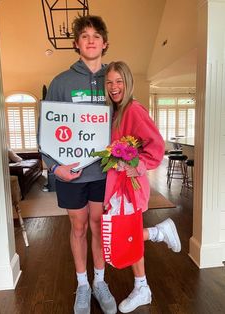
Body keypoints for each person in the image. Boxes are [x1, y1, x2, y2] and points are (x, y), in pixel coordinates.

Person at [43, 16, 117, 314]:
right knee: (78, 226)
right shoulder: (61, 83)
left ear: (104, 43)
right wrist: (53, 167)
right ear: (76, 44)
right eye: (84, 35)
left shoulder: (114, 80)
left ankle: (100, 282)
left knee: (99, 226)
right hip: (70, 173)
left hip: (103, 172)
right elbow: (45, 131)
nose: (90, 40)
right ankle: (83, 286)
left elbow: (124, 122)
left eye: (96, 35)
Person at [104, 61, 181, 313]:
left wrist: (135, 166)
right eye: (110, 82)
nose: (114, 87)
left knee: (124, 234)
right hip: (117, 187)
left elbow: (156, 146)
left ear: (128, 83)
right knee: (121, 233)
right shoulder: (115, 112)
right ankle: (143, 284)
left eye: (119, 81)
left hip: (129, 186)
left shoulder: (133, 110)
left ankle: (143, 285)